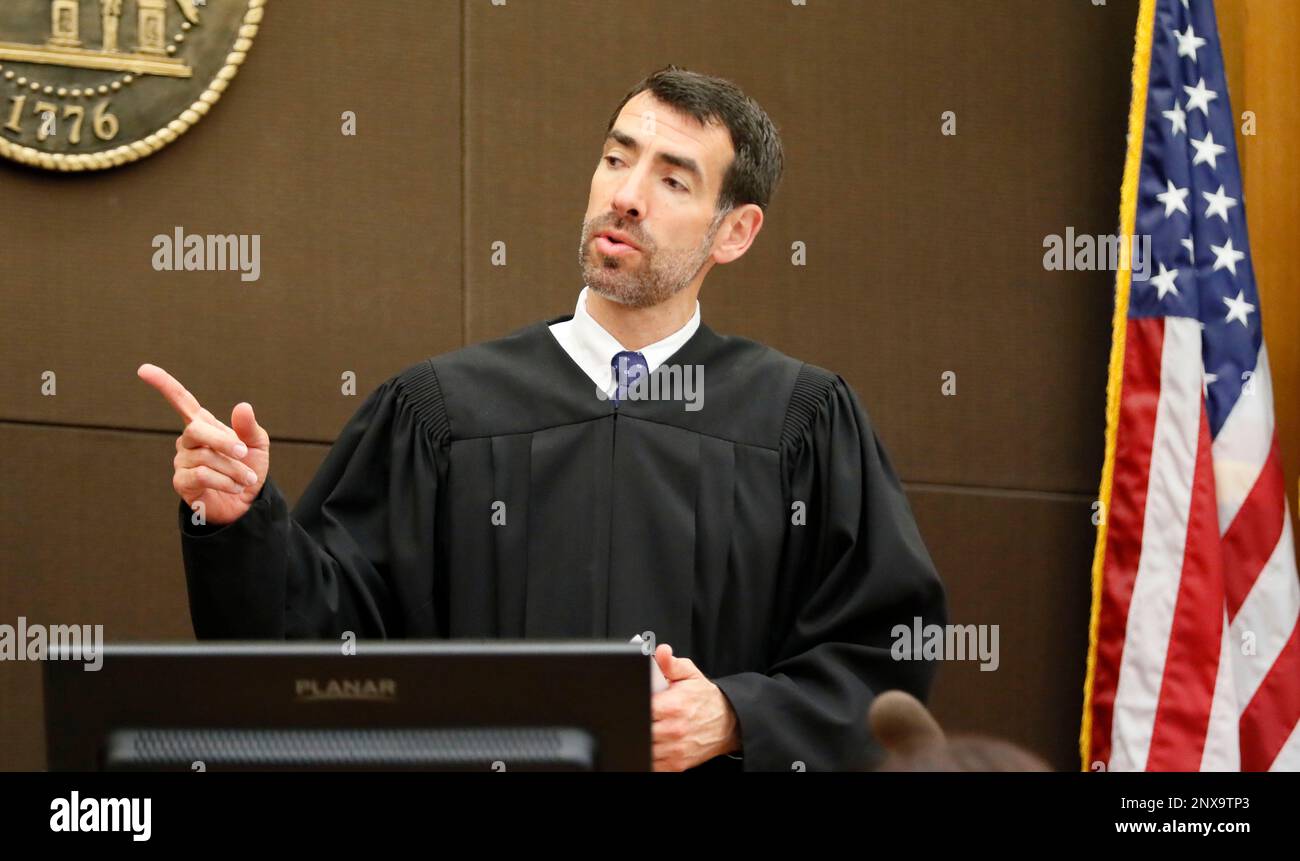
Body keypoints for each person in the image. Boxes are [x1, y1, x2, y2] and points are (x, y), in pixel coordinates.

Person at [138, 65, 947, 772]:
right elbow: (323, 651)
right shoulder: (443, 413)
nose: (625, 196)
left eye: (672, 179)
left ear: (734, 231)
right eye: (616, 158)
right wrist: (244, 522)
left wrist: (737, 716)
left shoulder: (797, 423)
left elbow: (883, 659)